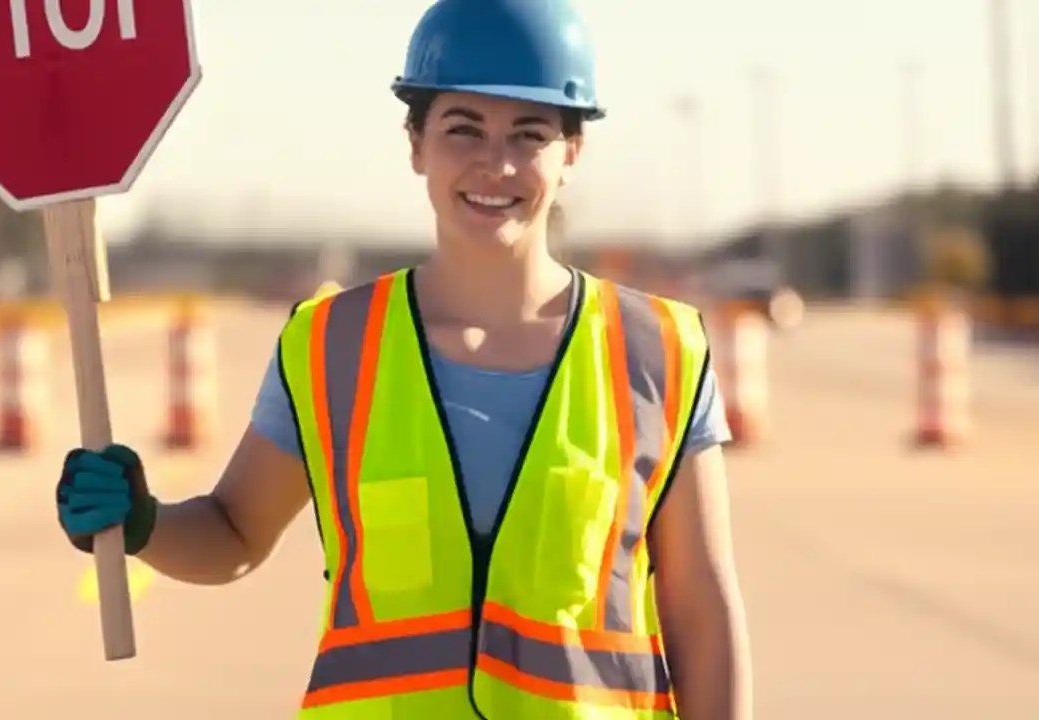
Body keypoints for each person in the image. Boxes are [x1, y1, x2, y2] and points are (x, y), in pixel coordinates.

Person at [55, 0, 753, 717]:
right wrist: (142, 524)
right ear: (415, 142)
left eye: (530, 133)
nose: (497, 162)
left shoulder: (658, 353)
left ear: (572, 151)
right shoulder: (331, 347)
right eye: (463, 129)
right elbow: (233, 533)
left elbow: (701, 610)